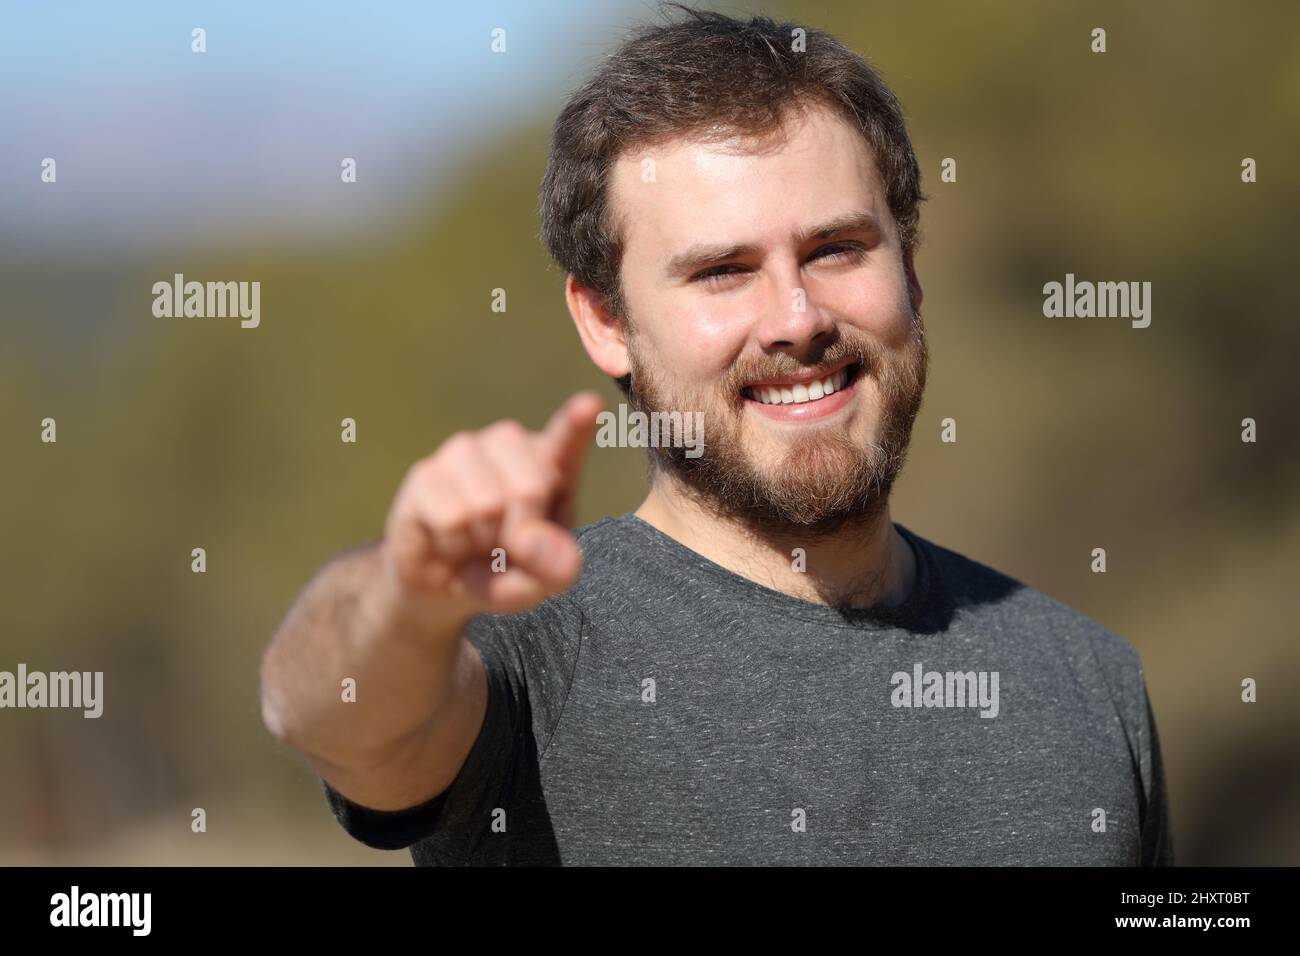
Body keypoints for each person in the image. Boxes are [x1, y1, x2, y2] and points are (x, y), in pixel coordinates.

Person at [259, 3, 1173, 866]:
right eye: (722, 272)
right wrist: (405, 596)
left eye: (837, 250)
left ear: (911, 268)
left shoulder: (1087, 685)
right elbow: (322, 713)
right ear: (605, 322)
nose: (797, 318)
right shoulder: (526, 656)